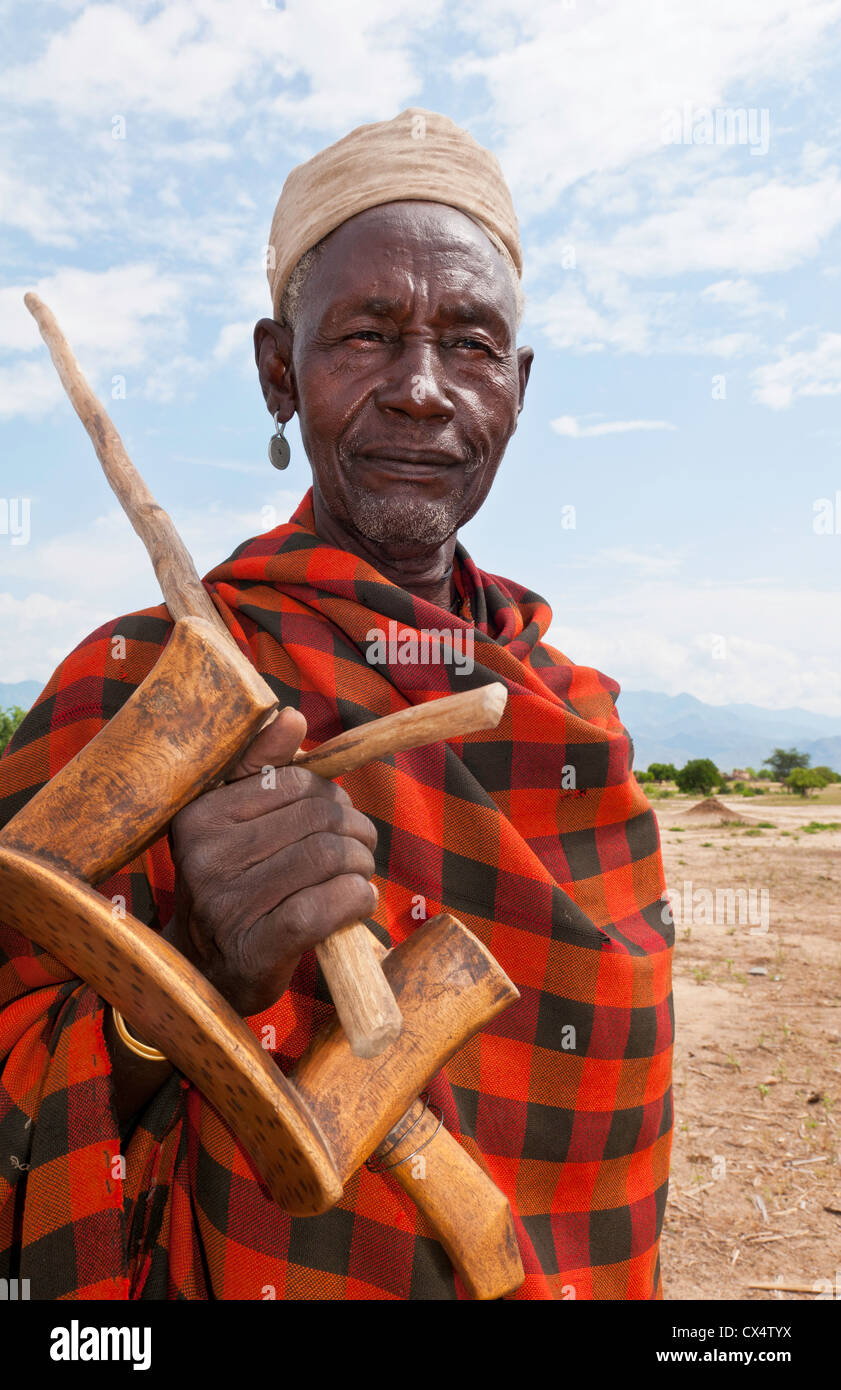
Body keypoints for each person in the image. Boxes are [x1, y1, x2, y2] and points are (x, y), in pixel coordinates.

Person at [0, 108, 674, 1300]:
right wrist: (183, 979)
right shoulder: (141, 688)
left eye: (470, 346)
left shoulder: (576, 726)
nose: (422, 391)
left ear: (516, 390)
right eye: (367, 335)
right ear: (278, 368)